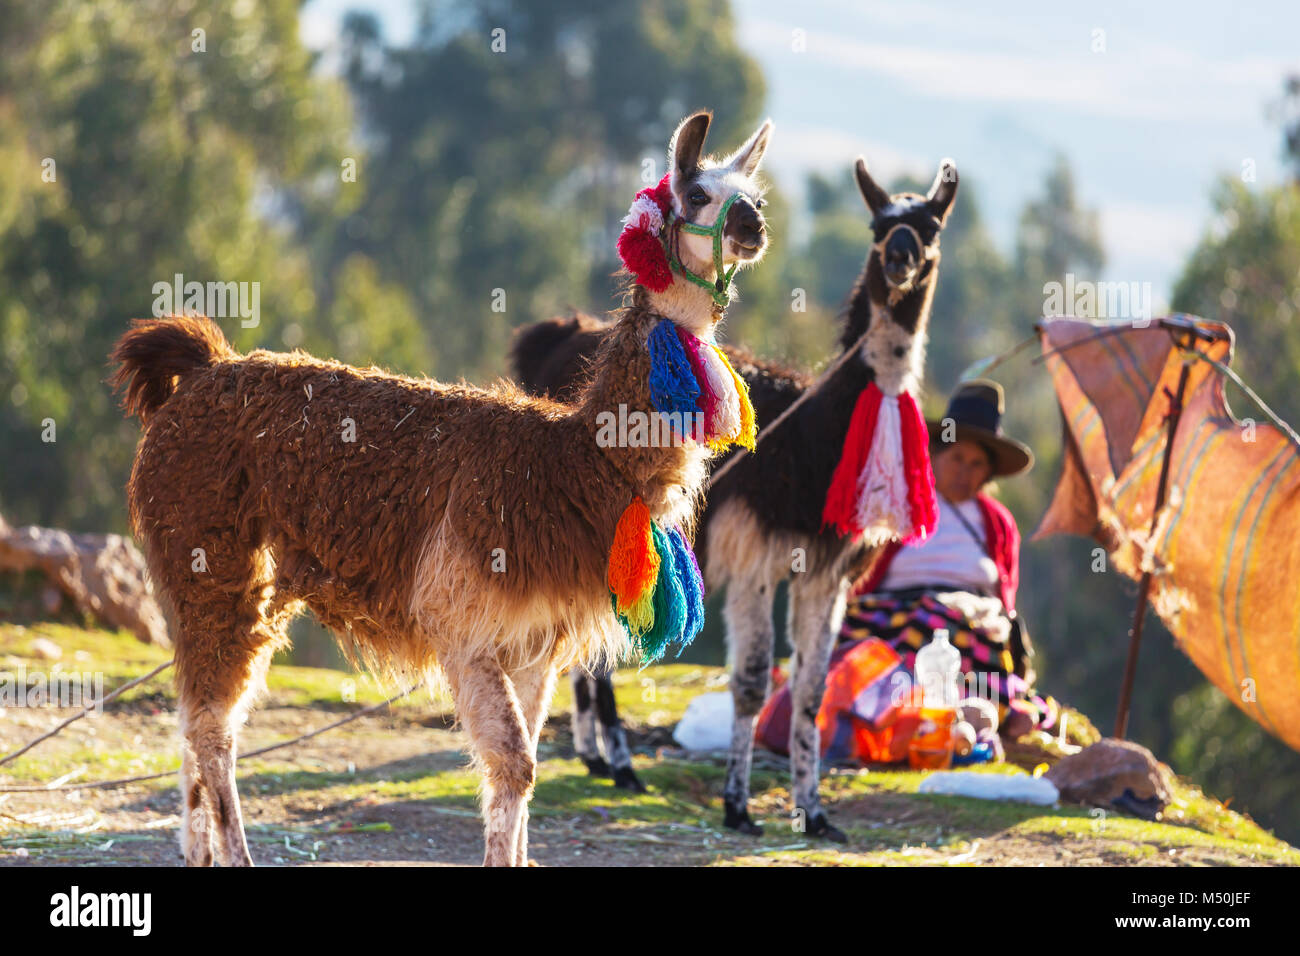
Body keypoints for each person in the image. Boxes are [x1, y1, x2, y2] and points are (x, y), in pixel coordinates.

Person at [840, 379, 1055, 738]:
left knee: (944, 625)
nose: (964, 471)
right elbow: (857, 572)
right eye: (956, 458)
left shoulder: (997, 522)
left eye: (976, 463)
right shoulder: (897, 503)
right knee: (912, 624)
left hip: (970, 627)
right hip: (890, 616)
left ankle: (964, 713)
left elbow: (1005, 598)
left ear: (987, 473)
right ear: (934, 455)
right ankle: (897, 707)